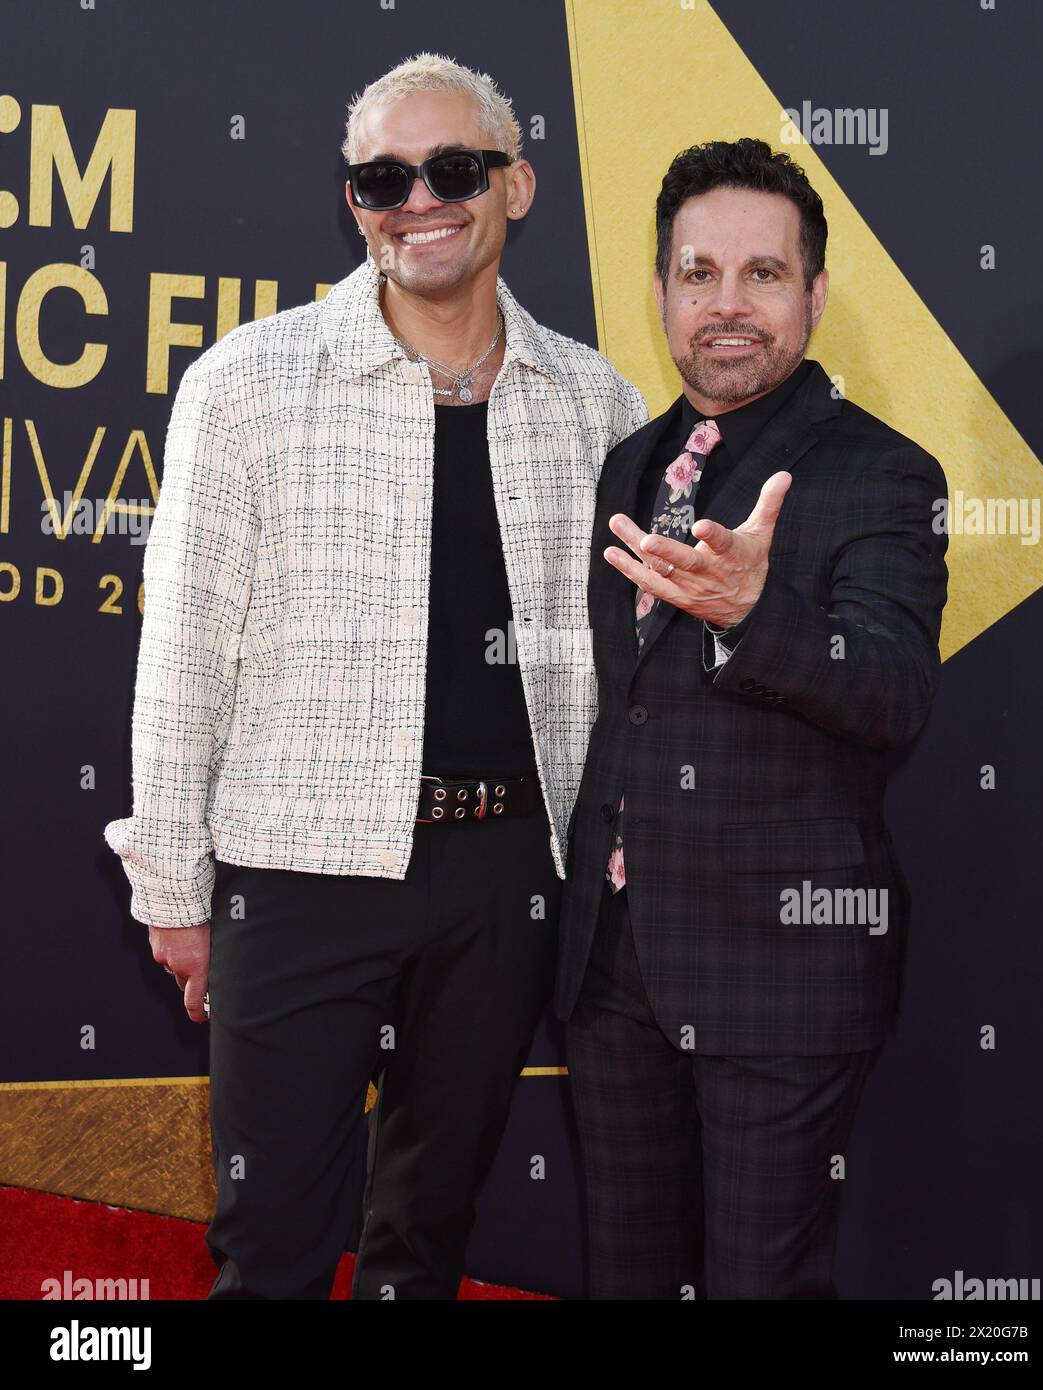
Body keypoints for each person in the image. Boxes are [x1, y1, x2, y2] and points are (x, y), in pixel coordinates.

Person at [104, 52, 647, 1300]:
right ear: (353, 201)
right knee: (272, 1249)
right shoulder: (247, 385)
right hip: (292, 878)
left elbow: (632, 672)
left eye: (453, 169)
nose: (419, 199)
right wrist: (174, 891)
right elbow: (181, 657)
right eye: (381, 178)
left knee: (425, 1244)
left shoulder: (597, 405)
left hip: (507, 875)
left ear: (515, 185)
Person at [556, 137, 949, 1299]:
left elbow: (891, 690)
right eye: (697, 273)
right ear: (663, 291)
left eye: (762, 275)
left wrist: (750, 616)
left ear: (814, 295)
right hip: (611, 972)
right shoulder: (629, 463)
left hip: (779, 974)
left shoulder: (885, 474)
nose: (725, 304)